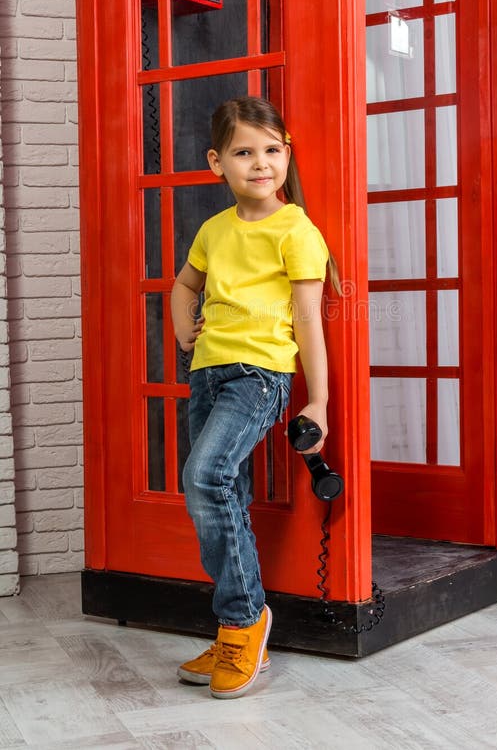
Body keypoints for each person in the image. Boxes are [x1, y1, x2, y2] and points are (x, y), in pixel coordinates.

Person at [170, 96, 337, 700]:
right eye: (244, 152)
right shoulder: (215, 230)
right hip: (208, 374)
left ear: (286, 157)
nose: (260, 163)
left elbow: (310, 320)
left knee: (205, 475)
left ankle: (244, 621)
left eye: (271, 150)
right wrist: (181, 321)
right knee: (224, 492)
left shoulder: (296, 229)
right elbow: (184, 282)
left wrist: (316, 402)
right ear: (218, 163)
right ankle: (235, 630)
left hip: (260, 376)